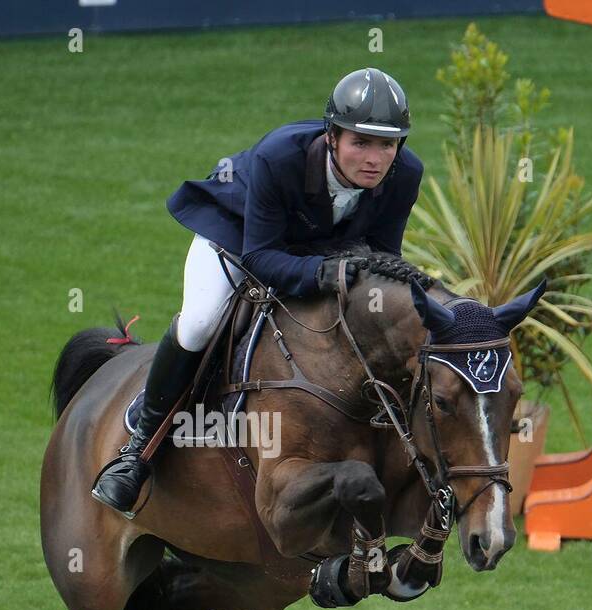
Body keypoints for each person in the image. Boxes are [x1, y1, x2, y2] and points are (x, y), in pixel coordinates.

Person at [91, 67, 423, 516]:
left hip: (324, 246)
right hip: (238, 234)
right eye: (360, 142)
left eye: (387, 144)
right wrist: (325, 274)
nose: (375, 158)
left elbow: (383, 254)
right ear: (331, 136)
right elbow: (262, 258)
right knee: (201, 321)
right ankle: (137, 448)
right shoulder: (278, 156)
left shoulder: (405, 174)